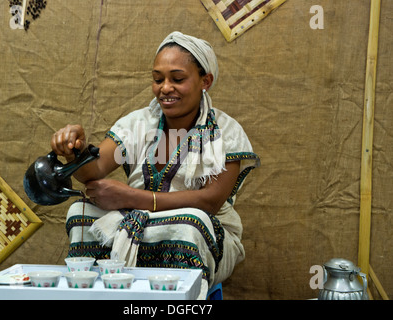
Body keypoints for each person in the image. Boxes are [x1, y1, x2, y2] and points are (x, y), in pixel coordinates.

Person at [51, 31, 260, 298]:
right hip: (141, 225)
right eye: (157, 79)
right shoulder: (139, 124)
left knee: (189, 224)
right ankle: (98, 295)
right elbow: (93, 170)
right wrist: (74, 150)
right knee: (80, 215)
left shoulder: (224, 132)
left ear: (205, 81)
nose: (165, 88)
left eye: (178, 79)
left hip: (198, 230)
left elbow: (209, 202)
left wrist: (130, 197)